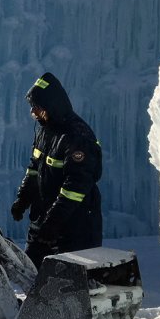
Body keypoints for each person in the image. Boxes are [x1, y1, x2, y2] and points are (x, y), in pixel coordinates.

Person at [9, 72, 103, 264]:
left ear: (50, 106)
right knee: (32, 274)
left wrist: (54, 222)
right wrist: (23, 199)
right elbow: (34, 168)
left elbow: (76, 187)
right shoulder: (44, 132)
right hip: (43, 222)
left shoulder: (76, 136)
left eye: (36, 108)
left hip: (74, 227)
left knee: (69, 285)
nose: (33, 113)